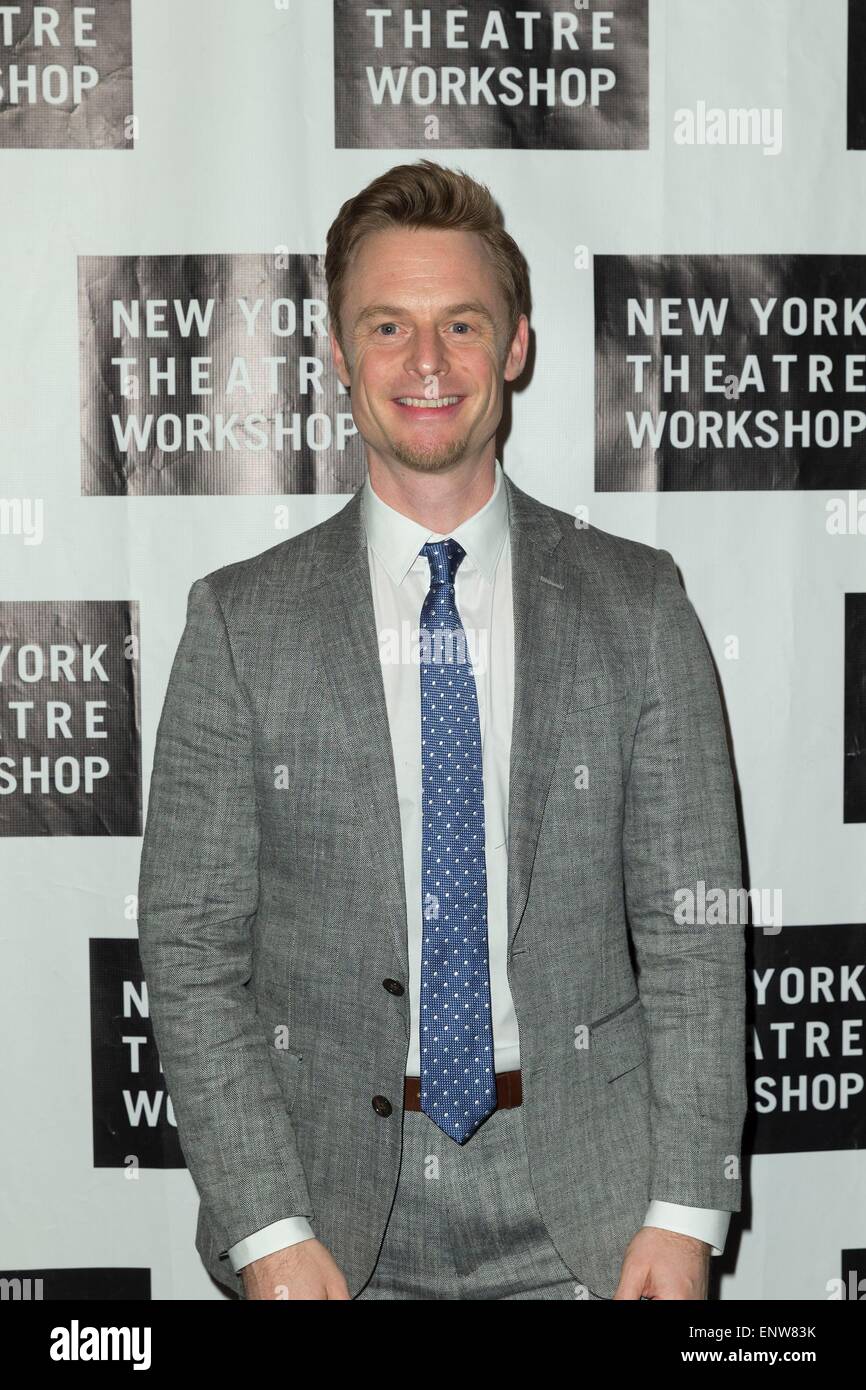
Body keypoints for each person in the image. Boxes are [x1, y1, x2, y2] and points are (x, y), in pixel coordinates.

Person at [138, 159, 746, 1301]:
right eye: (387, 325)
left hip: (594, 1214)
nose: (426, 363)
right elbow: (189, 948)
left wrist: (682, 1209)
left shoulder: (638, 601)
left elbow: (691, 931)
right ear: (335, 352)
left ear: (513, 345)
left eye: (460, 324)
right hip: (321, 1213)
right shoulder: (238, 621)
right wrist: (267, 1227)